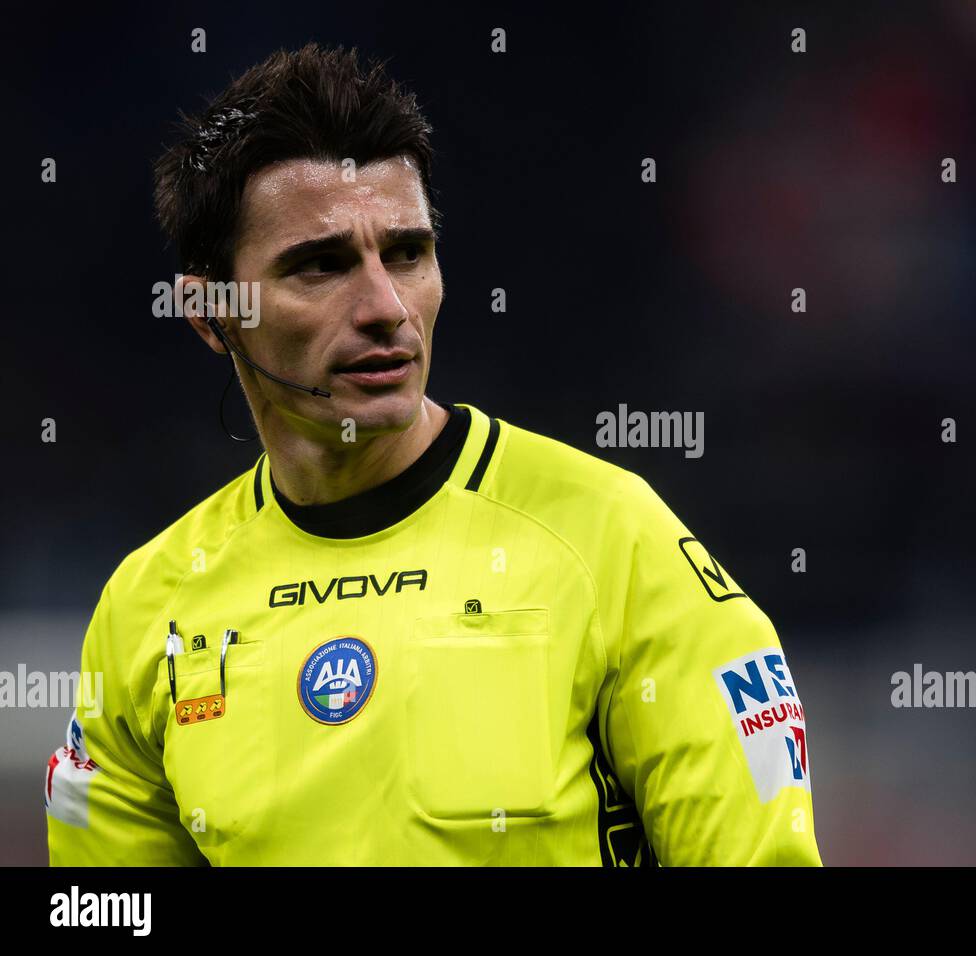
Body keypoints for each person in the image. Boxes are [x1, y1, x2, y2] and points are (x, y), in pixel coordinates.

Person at [44, 43, 821, 866]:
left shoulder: (614, 541)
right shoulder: (144, 611)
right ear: (210, 315)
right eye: (320, 265)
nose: (385, 308)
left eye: (407, 253)